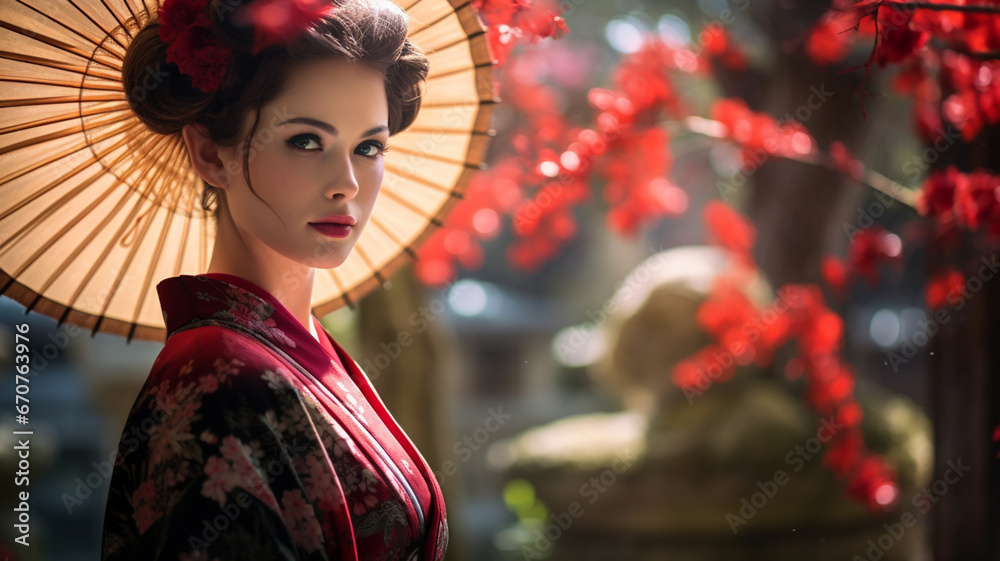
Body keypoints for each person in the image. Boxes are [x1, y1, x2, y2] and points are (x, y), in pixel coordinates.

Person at [100, 0, 447, 559]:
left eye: (369, 147)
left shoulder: (303, 348)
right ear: (212, 154)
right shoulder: (215, 374)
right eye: (306, 141)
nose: (348, 183)